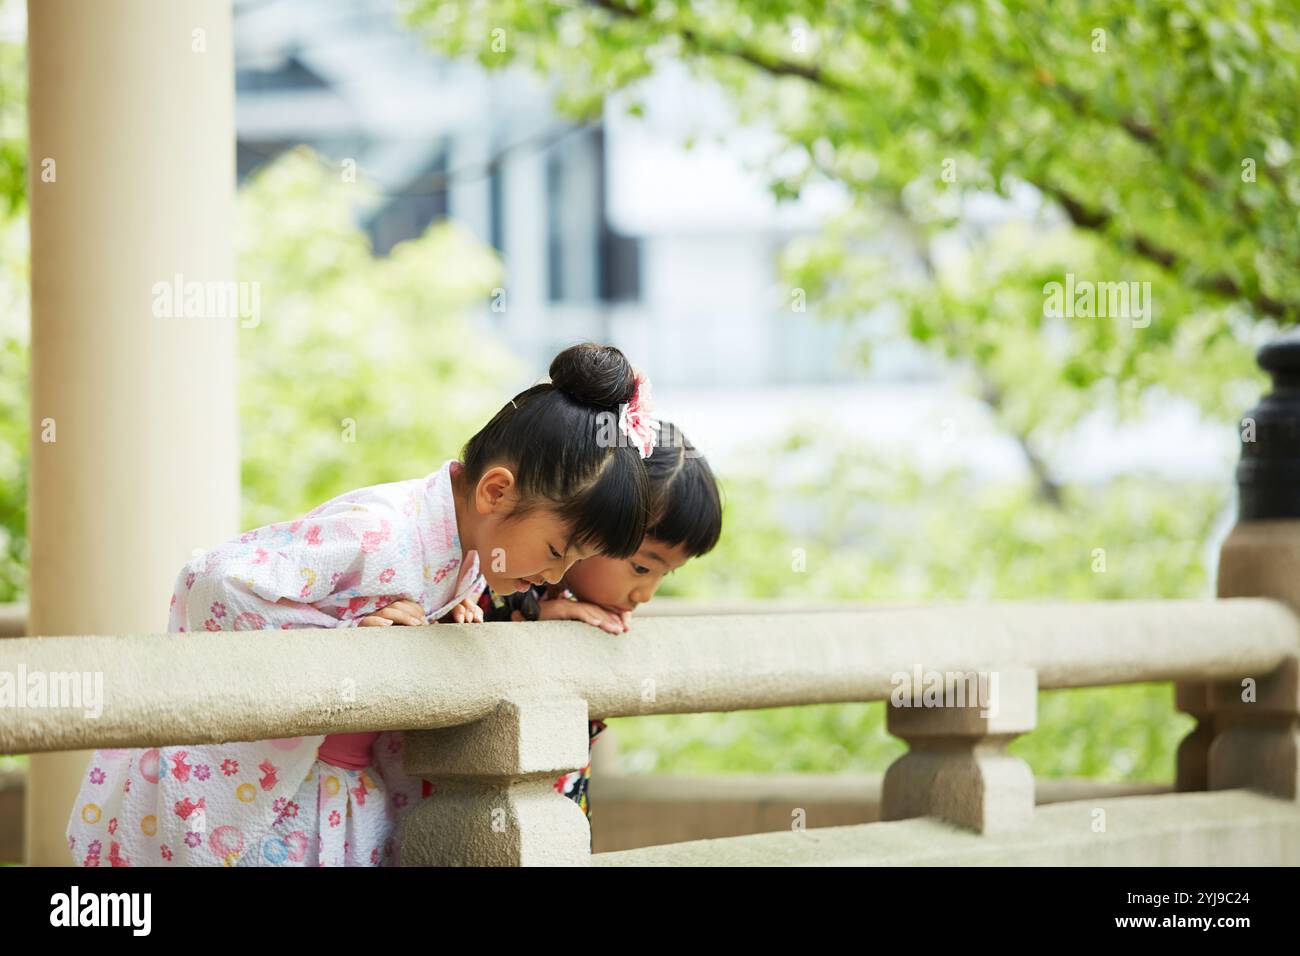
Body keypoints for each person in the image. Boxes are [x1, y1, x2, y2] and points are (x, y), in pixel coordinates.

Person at [66, 342, 655, 866]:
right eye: (556, 549)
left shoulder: (469, 551)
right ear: (495, 491)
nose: (554, 574)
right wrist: (346, 643)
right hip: (265, 789)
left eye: (571, 562)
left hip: (339, 790)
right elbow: (214, 582)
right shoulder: (380, 530)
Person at [482, 420, 723, 822]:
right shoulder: (498, 579)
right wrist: (532, 622)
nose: (644, 595)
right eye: (643, 569)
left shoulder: (569, 601)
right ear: (592, 521)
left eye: (667, 574)